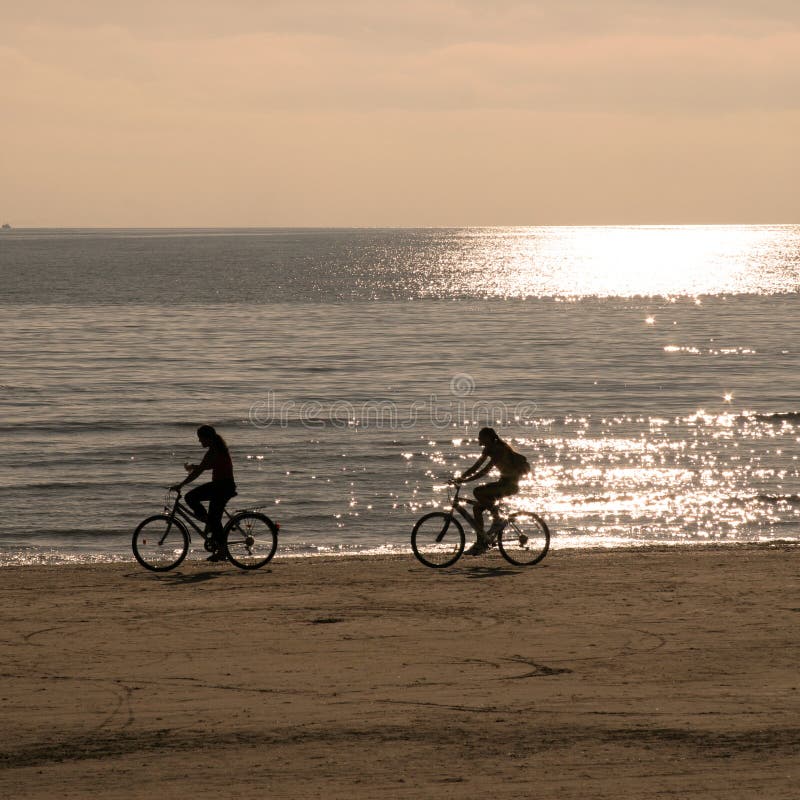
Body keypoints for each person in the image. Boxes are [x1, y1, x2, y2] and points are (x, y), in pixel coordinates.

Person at [456, 427, 530, 556]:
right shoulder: (489, 449)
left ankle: (497, 521)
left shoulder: (499, 449)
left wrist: (465, 480)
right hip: (503, 483)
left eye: (481, 437)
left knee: (478, 492)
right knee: (477, 509)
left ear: (488, 438)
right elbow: (476, 466)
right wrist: (461, 478)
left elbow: (485, 470)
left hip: (509, 485)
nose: (479, 439)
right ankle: (481, 543)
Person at [171, 425, 237, 562]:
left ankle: (222, 550)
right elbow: (208, 466)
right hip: (221, 486)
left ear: (208, 438)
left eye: (201, 439)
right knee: (214, 518)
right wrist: (195, 467)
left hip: (222, 487)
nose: (200, 441)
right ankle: (210, 526)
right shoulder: (217, 448)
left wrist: (181, 485)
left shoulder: (214, 451)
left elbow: (199, 471)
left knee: (191, 497)